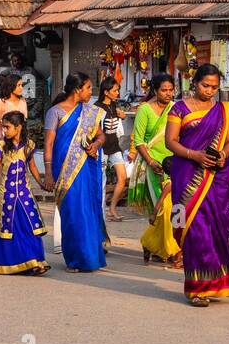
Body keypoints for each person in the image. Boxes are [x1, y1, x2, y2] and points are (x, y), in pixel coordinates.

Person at [164, 63, 229, 307]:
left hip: (215, 178)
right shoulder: (179, 108)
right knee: (191, 228)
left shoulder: (223, 110)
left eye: (214, 87)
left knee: (215, 229)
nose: (209, 91)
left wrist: (222, 156)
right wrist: (194, 155)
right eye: (205, 85)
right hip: (186, 175)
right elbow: (170, 142)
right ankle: (197, 288)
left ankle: (216, 283)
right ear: (194, 83)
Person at [43, 72, 107, 272]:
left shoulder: (90, 112)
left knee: (86, 210)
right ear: (77, 90)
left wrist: (96, 145)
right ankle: (74, 259)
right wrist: (48, 172)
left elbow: (101, 135)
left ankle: (89, 258)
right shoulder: (55, 112)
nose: (91, 91)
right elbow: (49, 144)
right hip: (63, 170)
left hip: (85, 168)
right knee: (71, 213)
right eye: (88, 87)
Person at [0, 111, 51, 276]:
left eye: (7, 127)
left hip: (24, 194)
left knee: (29, 226)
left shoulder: (29, 146)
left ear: (19, 127)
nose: (4, 130)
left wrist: (41, 183)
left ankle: (34, 261)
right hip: (5, 195)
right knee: (8, 229)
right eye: (3, 127)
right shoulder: (0, 146)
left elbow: (32, 167)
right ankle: (11, 263)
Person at [129, 73, 181, 267]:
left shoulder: (176, 108)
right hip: (154, 165)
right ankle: (170, 249)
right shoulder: (145, 110)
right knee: (163, 208)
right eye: (163, 90)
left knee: (176, 207)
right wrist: (151, 162)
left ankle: (156, 245)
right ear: (155, 90)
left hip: (174, 162)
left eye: (171, 90)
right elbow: (140, 139)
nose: (168, 94)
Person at [97, 78, 130, 222]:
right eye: (115, 90)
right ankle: (100, 211)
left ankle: (112, 209)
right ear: (106, 92)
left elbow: (117, 121)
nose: (117, 93)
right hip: (101, 148)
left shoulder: (114, 106)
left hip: (114, 146)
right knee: (101, 180)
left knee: (122, 177)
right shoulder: (96, 107)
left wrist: (120, 116)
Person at [0, 71, 27, 137]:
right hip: (5, 141)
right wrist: (2, 117)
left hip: (20, 141)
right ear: (11, 86)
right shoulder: (0, 102)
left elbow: (24, 123)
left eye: (22, 85)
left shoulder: (23, 102)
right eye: (19, 85)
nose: (21, 88)